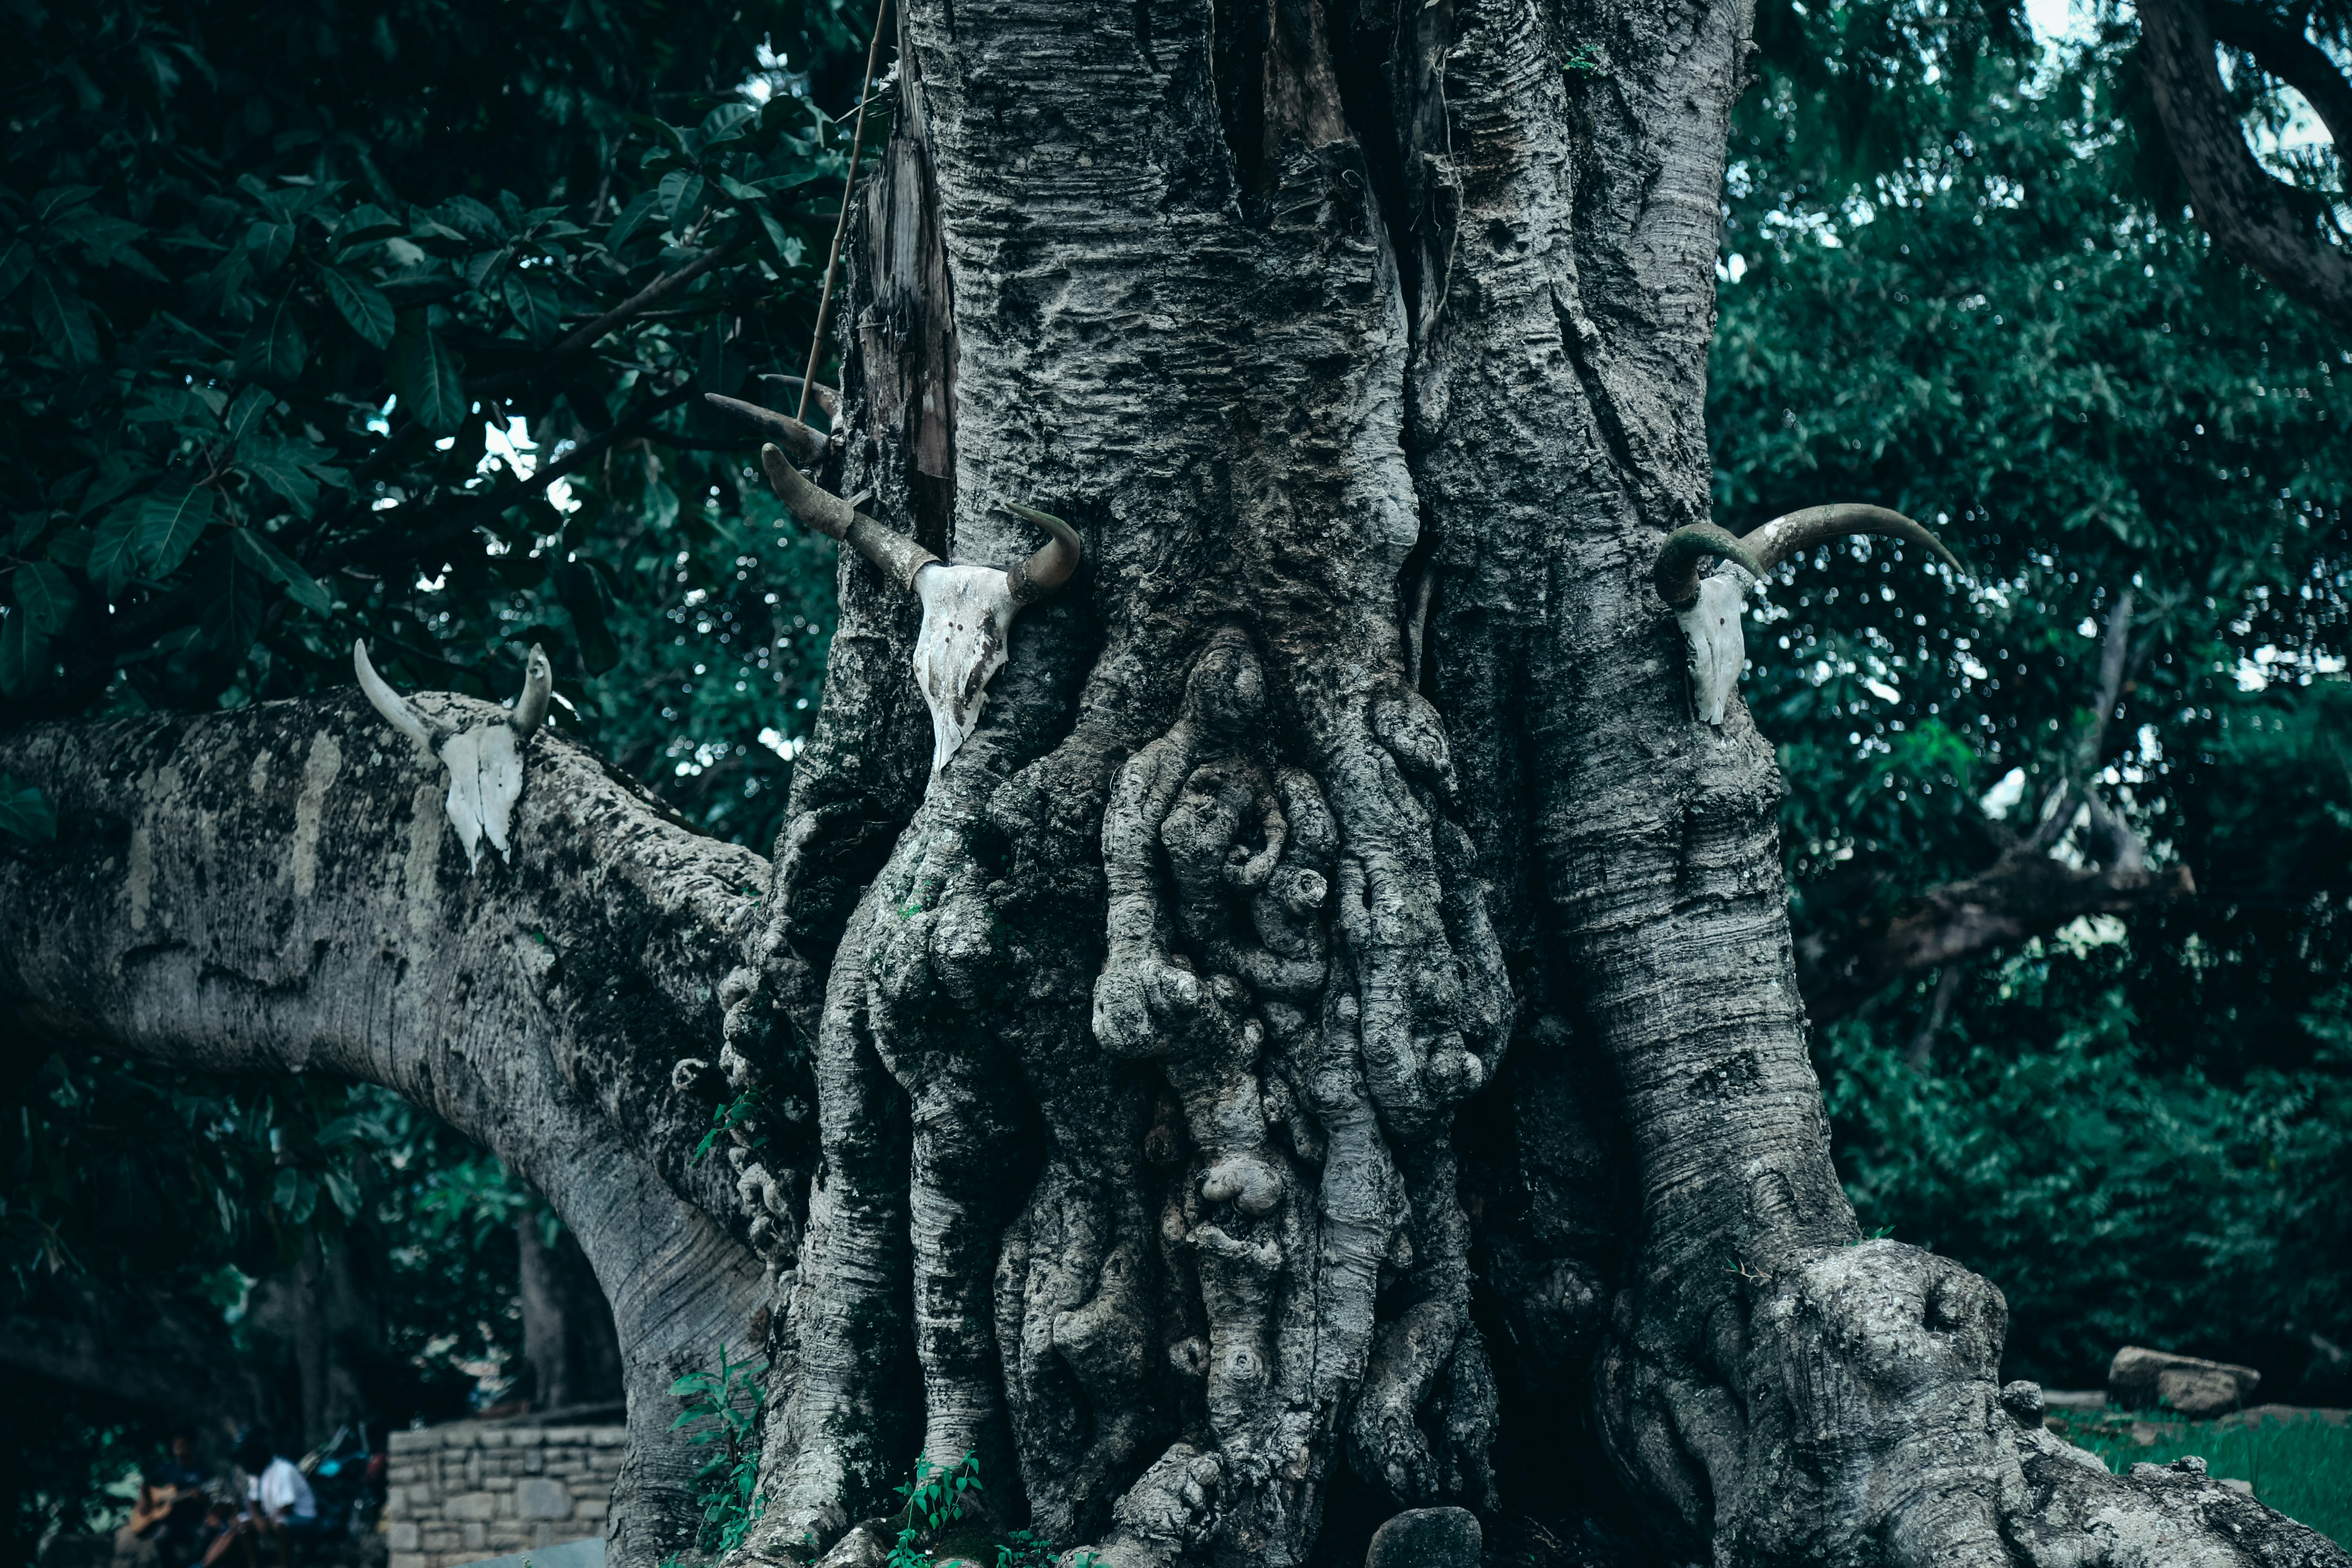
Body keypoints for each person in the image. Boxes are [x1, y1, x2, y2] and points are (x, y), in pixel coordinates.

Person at [200, 1428, 320, 1568]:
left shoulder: (283, 1470)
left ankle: (286, 1565)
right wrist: (257, 1520)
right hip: (274, 1516)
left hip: (302, 1518)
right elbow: (253, 1502)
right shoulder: (257, 1475)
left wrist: (265, 1521)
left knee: (280, 1523)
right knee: (243, 1522)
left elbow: (287, 1507)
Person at [112, 1428, 209, 1568]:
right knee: (163, 1536)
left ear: (192, 1446)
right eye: (176, 1445)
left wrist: (199, 1498)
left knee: (203, 1534)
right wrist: (145, 1502)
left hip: (191, 1521)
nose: (178, 1449)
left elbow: (208, 1500)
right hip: (170, 1522)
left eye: (182, 1445)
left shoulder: (202, 1472)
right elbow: (145, 1485)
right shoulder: (169, 1469)